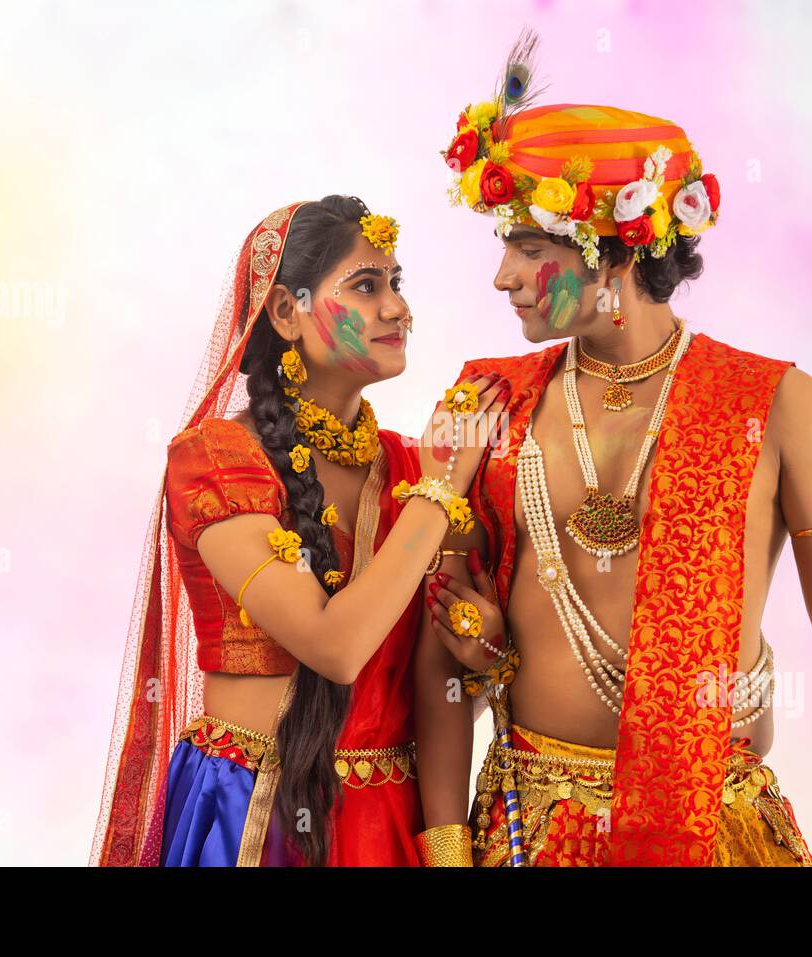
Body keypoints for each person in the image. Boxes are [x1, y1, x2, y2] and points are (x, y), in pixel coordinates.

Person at [412, 29, 812, 867]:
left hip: (713, 831)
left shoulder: (775, 405)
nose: (503, 277)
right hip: (525, 833)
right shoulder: (486, 401)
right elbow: (440, 652)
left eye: (530, 248)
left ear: (612, 249)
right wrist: (448, 850)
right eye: (505, 249)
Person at [90, 195, 508, 866]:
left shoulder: (412, 466)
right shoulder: (216, 461)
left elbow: (439, 691)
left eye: (395, 285)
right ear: (288, 311)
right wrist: (438, 492)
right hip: (250, 815)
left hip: (387, 824)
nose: (397, 308)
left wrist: (485, 656)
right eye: (366, 286)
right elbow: (333, 647)